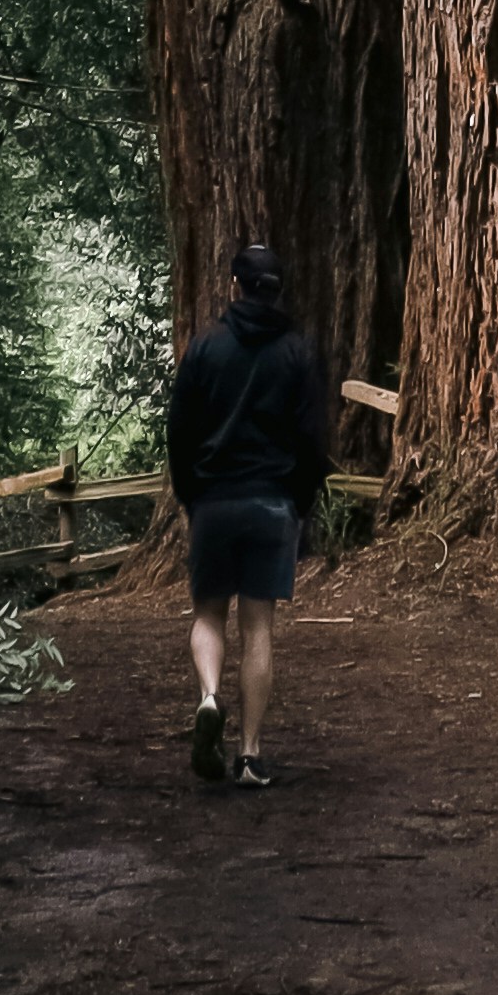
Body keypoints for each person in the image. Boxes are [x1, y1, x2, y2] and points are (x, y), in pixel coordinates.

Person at [164, 238, 330, 790]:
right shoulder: (297, 352)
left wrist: (193, 496)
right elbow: (312, 439)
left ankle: (209, 697)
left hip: (214, 500)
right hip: (272, 502)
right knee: (258, 627)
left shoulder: (204, 347)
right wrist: (299, 502)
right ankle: (252, 755)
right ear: (276, 293)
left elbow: (179, 431)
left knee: (208, 614)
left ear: (234, 286)